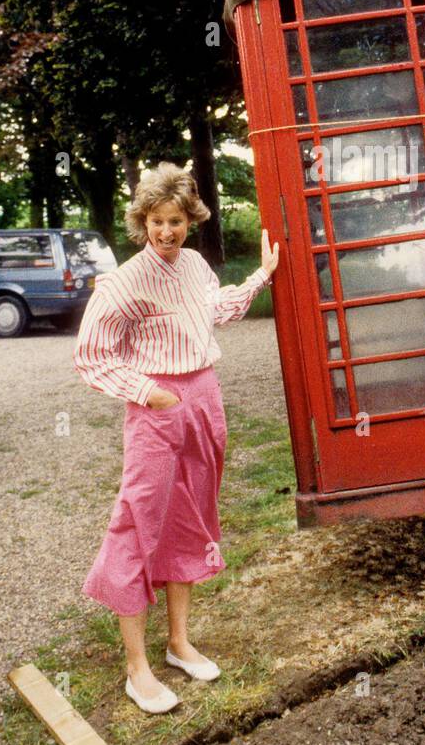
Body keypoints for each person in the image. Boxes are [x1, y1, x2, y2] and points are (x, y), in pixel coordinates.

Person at [74, 162, 279, 714]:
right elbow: (91, 357)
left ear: (191, 220)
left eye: (177, 221)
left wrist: (261, 276)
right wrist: (148, 392)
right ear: (142, 222)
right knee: (139, 521)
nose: (168, 232)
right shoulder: (123, 282)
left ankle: (178, 642)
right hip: (157, 409)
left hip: (205, 401)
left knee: (192, 517)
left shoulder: (193, 265)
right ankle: (136, 667)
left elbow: (216, 312)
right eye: (157, 221)